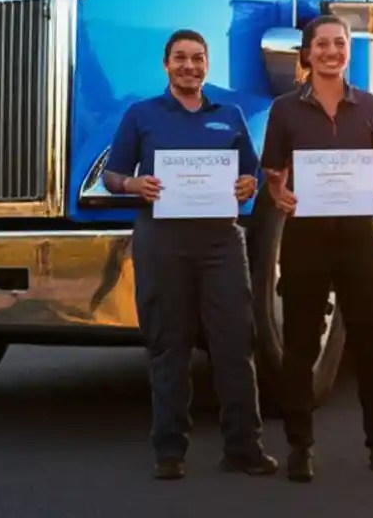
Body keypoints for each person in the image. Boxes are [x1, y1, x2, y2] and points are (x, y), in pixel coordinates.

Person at [102, 29, 278, 480]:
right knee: (169, 344)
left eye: (197, 58)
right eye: (180, 58)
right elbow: (112, 175)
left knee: (235, 343)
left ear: (207, 64)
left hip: (220, 241)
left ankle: (244, 447)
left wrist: (247, 185)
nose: (189, 66)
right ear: (166, 65)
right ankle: (169, 451)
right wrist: (132, 185)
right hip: (162, 241)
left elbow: (249, 174)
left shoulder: (231, 115)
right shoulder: (142, 115)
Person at [259, 14, 373, 483]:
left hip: (358, 238)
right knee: (300, 345)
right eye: (321, 44)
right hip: (305, 237)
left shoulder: (370, 106)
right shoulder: (284, 109)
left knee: (370, 344)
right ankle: (300, 447)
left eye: (339, 43)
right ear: (307, 52)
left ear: (348, 50)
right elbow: (272, 173)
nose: (331, 51)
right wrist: (277, 194)